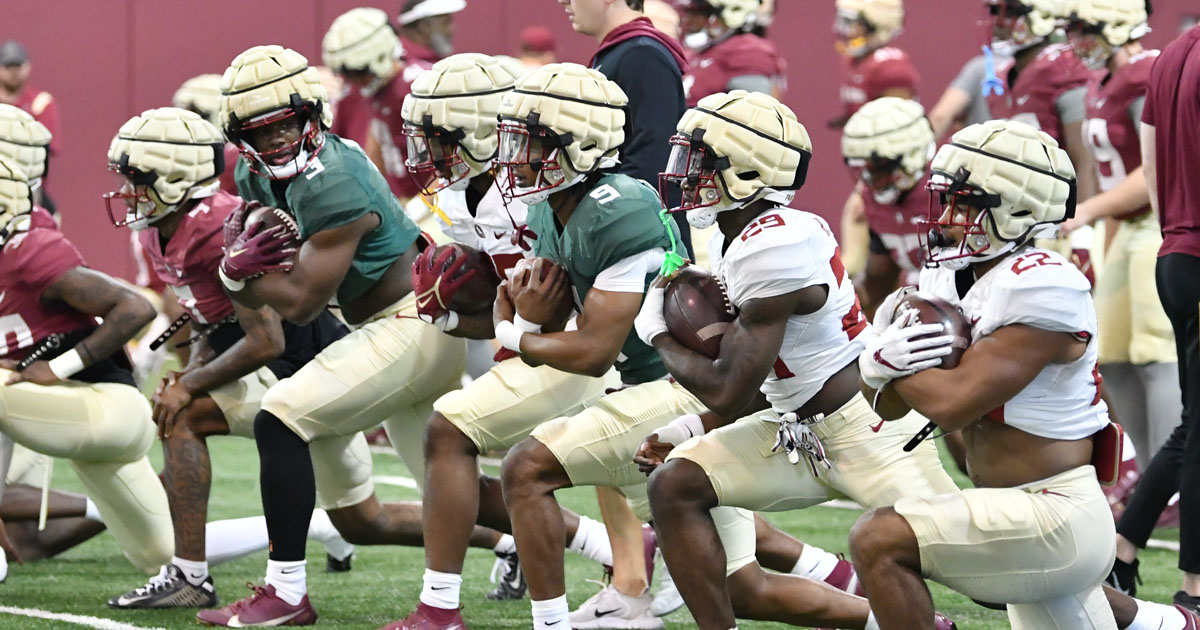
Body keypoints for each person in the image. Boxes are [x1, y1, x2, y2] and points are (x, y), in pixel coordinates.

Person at [848, 118, 1199, 630]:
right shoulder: (948, 275)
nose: (946, 218)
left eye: (965, 203)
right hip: (1010, 508)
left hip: (1056, 515)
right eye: (945, 200)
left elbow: (950, 404)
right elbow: (888, 406)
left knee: (878, 538)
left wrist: (881, 360)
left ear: (1017, 209)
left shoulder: (1044, 284)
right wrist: (878, 370)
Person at [634, 89, 957, 630]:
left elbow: (728, 386)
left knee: (993, 575)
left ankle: (1144, 620)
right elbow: (769, 378)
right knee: (674, 484)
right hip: (794, 432)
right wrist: (693, 427)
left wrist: (656, 337)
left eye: (699, 161)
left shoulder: (774, 242)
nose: (685, 173)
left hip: (864, 429)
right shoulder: (741, 238)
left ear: (744, 172)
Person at [194, 45, 470, 626]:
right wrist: (239, 274)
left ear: (312, 114)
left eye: (287, 125)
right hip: (387, 323)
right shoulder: (252, 172)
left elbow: (298, 302)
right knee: (450, 488)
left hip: (412, 319)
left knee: (280, 415)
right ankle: (599, 542)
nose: (276, 143)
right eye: (260, 133)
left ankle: (287, 592)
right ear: (238, 136)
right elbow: (253, 290)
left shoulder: (334, 178)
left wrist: (234, 272)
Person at [381, 53, 623, 630]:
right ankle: (829, 573)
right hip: (540, 344)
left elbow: (557, 297)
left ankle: (440, 608)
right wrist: (447, 312)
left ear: (483, 132)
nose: (427, 155)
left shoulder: (543, 189)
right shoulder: (468, 192)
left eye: (439, 139)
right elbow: (501, 302)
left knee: (453, 431)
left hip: (587, 348)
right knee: (667, 491)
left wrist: (518, 322)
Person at [100, 107, 360, 609]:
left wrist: (190, 383)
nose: (128, 192)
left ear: (175, 180)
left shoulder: (224, 225)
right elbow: (207, 319)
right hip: (265, 368)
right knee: (181, 415)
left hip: (308, 367)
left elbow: (267, 340)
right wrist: (190, 372)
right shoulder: (162, 226)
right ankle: (189, 576)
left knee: (365, 519)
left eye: (138, 179)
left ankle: (506, 542)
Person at [0, 155, 174, 577]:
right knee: (165, 555)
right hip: (76, 414)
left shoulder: (28, 250)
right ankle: (320, 527)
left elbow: (134, 308)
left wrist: (58, 367)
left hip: (108, 407)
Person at [1058, 0, 1179, 478]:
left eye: (1087, 28)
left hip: (1160, 223)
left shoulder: (1146, 73)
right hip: (1128, 227)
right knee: (1112, 353)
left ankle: (1172, 480)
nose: (1078, 39)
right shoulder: (1102, 81)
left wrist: (1086, 211)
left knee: (1155, 352)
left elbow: (1155, 170)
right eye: (1073, 28)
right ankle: (1150, 474)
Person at [1106, 22, 1200, 616]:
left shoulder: (1172, 54)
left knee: (1195, 425)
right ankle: (1195, 586)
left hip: (1176, 254)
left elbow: (1150, 163)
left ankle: (1125, 543)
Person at [560, 0, 693, 257]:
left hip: (642, 248)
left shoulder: (642, 54)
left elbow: (650, 161)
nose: (563, 1)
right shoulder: (622, 53)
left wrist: (607, 221)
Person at [323, 7, 430, 206]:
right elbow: (378, 137)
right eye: (348, 74)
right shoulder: (380, 90)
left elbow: (452, 154)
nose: (356, 82)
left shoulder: (417, 89)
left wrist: (426, 202)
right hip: (407, 198)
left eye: (359, 72)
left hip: (437, 197)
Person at [840, 96, 934, 319]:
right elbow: (878, 281)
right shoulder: (871, 200)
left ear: (912, 156)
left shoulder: (947, 191)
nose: (873, 181)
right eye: (865, 170)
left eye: (881, 168)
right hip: (919, 309)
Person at [679, 0, 785, 106]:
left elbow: (757, 114)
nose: (688, 20)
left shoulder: (746, 50)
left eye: (698, 13)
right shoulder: (697, 53)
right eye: (688, 12)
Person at [831, 0, 916, 128]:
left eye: (849, 22)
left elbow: (900, 126)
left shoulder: (890, 66)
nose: (842, 29)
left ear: (874, 26)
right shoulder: (855, 62)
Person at [0, 40, 59, 216]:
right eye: (8, 66)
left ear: (28, 67)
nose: (13, 72)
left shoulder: (40, 103)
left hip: (30, 191)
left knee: (51, 221)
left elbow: (45, 150)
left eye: (17, 66)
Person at [399, 0, 465, 65]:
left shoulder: (438, 61)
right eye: (445, 23)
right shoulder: (396, 63)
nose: (452, 29)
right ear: (424, 26)